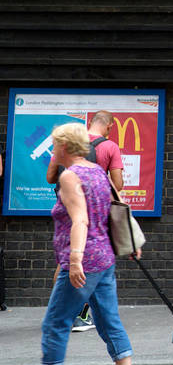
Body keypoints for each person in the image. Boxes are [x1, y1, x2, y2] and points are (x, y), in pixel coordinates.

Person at [4, 123, 139, 365]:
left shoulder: (70, 176)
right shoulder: (97, 171)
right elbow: (118, 206)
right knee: (107, 319)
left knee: (55, 322)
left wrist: (75, 260)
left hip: (84, 262)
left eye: (54, 145)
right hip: (104, 258)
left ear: (64, 147)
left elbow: (80, 220)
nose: (52, 150)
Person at [46, 110, 125, 332]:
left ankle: (64, 313)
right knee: (97, 261)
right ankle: (84, 315)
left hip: (67, 210)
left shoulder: (68, 143)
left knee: (65, 263)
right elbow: (116, 185)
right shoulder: (109, 147)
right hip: (96, 213)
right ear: (109, 126)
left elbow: (50, 177)